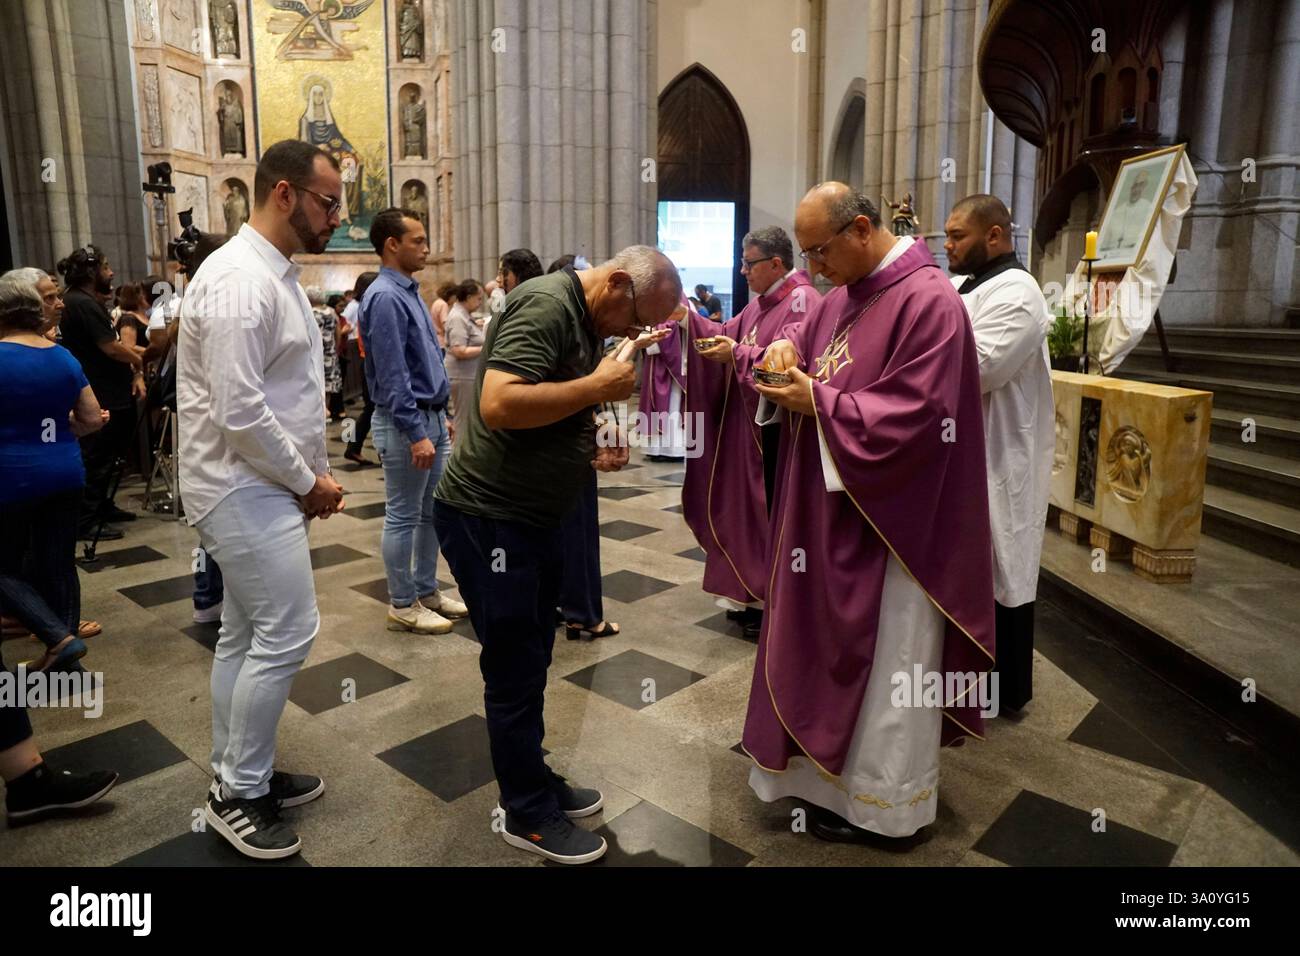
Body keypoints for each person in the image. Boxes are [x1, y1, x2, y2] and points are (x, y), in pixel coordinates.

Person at [741, 183, 996, 844]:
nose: (813, 270)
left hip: (895, 530)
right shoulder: (839, 300)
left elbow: (924, 418)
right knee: (825, 654)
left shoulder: (929, 301)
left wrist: (819, 405)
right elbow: (807, 347)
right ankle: (826, 787)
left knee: (889, 666)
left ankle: (889, 811)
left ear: (860, 229)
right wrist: (784, 355)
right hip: (828, 516)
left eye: (819, 252)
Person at [433, 246, 682, 864]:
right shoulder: (547, 305)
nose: (628, 334)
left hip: (531, 517)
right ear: (618, 282)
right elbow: (499, 403)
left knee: (534, 652)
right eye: (632, 321)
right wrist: (599, 385)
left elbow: (558, 396)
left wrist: (599, 432)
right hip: (489, 518)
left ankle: (533, 775)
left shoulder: (584, 315)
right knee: (514, 664)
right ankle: (525, 811)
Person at [178, 139, 345, 860]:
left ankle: (238, 769)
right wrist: (309, 481)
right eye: (327, 201)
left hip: (260, 486)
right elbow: (239, 411)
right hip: (242, 488)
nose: (336, 215)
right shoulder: (241, 279)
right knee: (288, 631)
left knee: (247, 637)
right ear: (284, 193)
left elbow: (284, 392)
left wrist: (307, 473)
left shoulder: (268, 273)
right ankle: (236, 793)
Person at [944, 194, 1054, 713]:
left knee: (1002, 566)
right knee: (974, 565)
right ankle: (966, 684)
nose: (948, 246)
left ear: (995, 235)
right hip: (963, 448)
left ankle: (999, 691)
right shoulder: (966, 286)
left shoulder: (1019, 290)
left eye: (957, 235)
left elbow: (982, 367)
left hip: (1001, 449)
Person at [687, 226, 820, 641]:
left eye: (749, 264)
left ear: (776, 264)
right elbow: (726, 334)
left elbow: (788, 361)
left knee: (766, 515)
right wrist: (684, 320)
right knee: (743, 513)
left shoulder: (803, 299)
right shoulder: (761, 305)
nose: (743, 272)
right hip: (745, 431)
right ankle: (747, 595)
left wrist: (737, 354)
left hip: (774, 434)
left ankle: (770, 601)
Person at [361, 208, 467, 635]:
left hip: (429, 420)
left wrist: (441, 417)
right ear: (392, 245)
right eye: (418, 241)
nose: (426, 247)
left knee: (430, 513)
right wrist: (415, 432)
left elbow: (424, 362)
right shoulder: (386, 296)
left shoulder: (407, 291)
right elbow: (392, 375)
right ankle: (402, 604)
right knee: (403, 515)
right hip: (408, 424)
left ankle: (426, 591)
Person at [0, 269, 106, 672]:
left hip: (11, 478)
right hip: (65, 471)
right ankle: (63, 660)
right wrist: (62, 432)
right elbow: (93, 418)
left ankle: (57, 638)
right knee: (58, 563)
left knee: (5, 567)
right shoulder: (63, 357)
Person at [540, 254, 618, 641]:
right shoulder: (562, 324)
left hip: (561, 447)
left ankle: (566, 606)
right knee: (576, 530)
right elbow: (586, 393)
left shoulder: (571, 325)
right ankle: (581, 613)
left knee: (566, 530)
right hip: (565, 451)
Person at [56, 245, 145, 541]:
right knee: (98, 457)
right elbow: (110, 347)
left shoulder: (83, 301)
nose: (111, 273)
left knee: (108, 456)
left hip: (108, 389)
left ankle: (103, 506)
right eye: (106, 268)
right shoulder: (80, 303)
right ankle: (88, 519)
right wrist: (137, 359)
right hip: (101, 391)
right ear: (92, 273)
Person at [343, 271, 379, 467]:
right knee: (373, 408)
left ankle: (353, 447)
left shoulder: (365, 305)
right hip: (369, 362)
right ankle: (353, 447)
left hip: (367, 360)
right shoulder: (362, 306)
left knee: (372, 408)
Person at [444, 279, 486, 431]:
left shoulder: (463, 315)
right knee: (463, 422)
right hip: (462, 376)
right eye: (479, 298)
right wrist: (486, 348)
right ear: (468, 297)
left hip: (467, 375)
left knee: (468, 420)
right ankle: (459, 453)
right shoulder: (457, 317)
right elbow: (459, 350)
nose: (481, 302)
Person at [307, 287, 344, 421]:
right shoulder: (331, 311)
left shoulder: (311, 312)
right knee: (328, 383)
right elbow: (338, 332)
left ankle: (318, 411)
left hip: (316, 352)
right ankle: (325, 408)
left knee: (316, 380)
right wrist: (336, 347)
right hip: (330, 351)